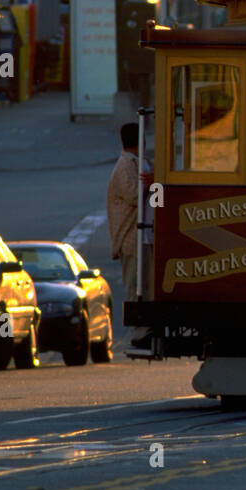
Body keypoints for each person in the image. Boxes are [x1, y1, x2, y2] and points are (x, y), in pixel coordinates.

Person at [108, 122, 154, 347]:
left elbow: (157, 199)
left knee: (146, 282)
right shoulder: (124, 166)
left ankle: (147, 326)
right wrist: (151, 184)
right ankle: (139, 331)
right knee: (135, 283)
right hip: (131, 237)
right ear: (141, 139)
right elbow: (135, 196)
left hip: (145, 235)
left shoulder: (142, 163)